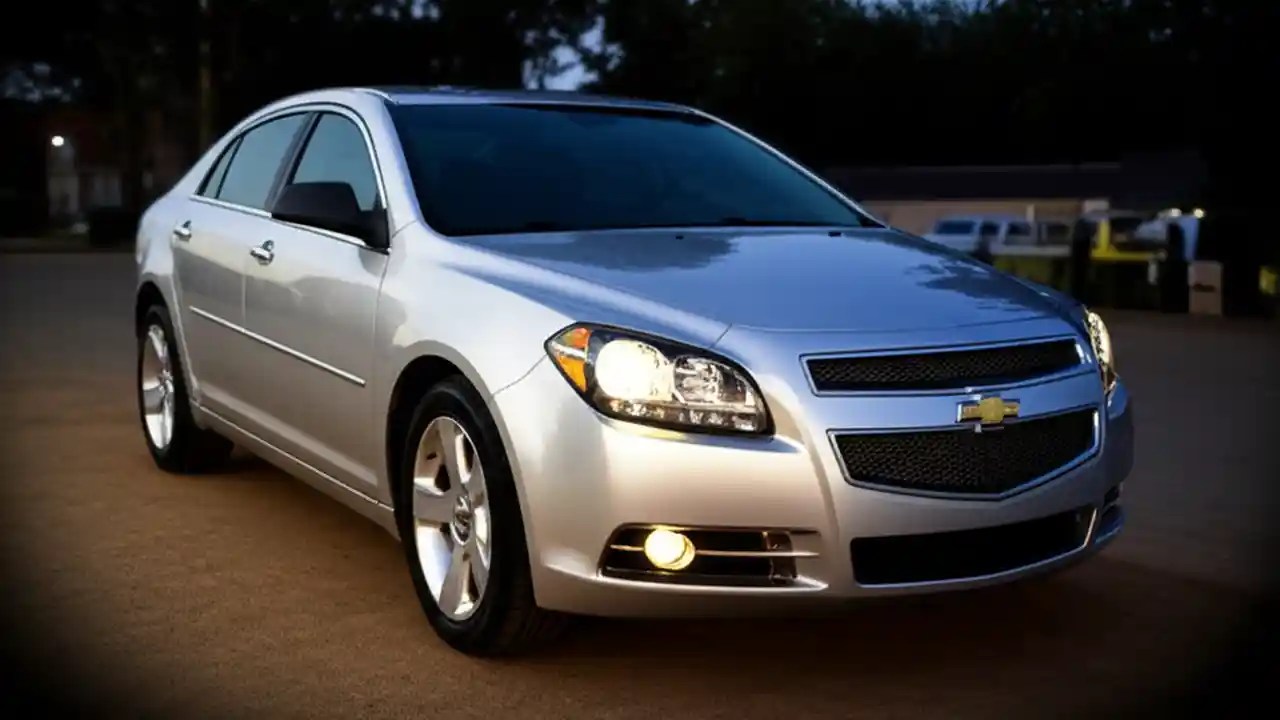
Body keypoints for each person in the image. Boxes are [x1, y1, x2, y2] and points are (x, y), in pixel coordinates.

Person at [1068, 217, 1094, 304]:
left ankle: (1076, 300)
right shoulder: (1086, 226)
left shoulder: (1079, 226)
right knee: (1081, 277)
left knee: (1076, 277)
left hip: (1078, 249)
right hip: (1083, 250)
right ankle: (1080, 300)